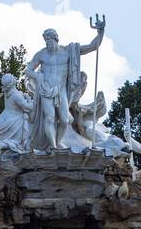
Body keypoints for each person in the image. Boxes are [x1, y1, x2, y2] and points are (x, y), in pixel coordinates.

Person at [25, 22, 104, 151]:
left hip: (61, 89)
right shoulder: (41, 54)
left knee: (65, 119)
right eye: (46, 41)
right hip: (45, 89)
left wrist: (101, 31)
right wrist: (37, 76)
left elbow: (93, 46)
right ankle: (53, 146)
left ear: (56, 39)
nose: (48, 44)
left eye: (50, 41)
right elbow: (28, 70)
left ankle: (58, 141)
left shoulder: (68, 51)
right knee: (49, 117)